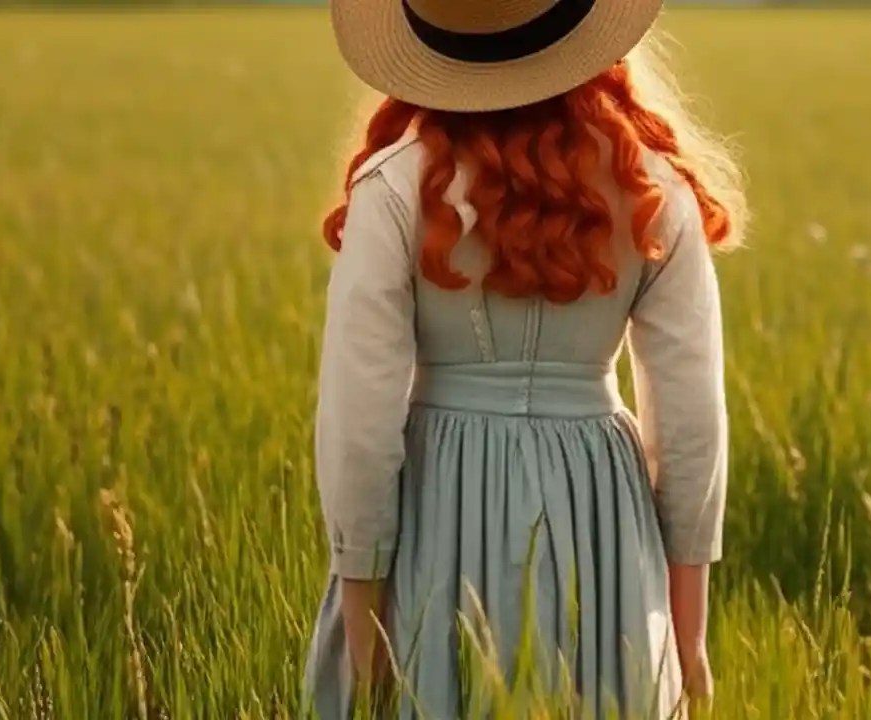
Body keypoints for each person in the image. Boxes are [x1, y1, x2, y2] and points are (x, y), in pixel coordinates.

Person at [304, 0, 745, 717]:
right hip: (600, 516)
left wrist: (364, 638)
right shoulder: (657, 195)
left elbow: (360, 426)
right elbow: (692, 425)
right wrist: (687, 633)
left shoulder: (391, 189)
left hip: (440, 507)